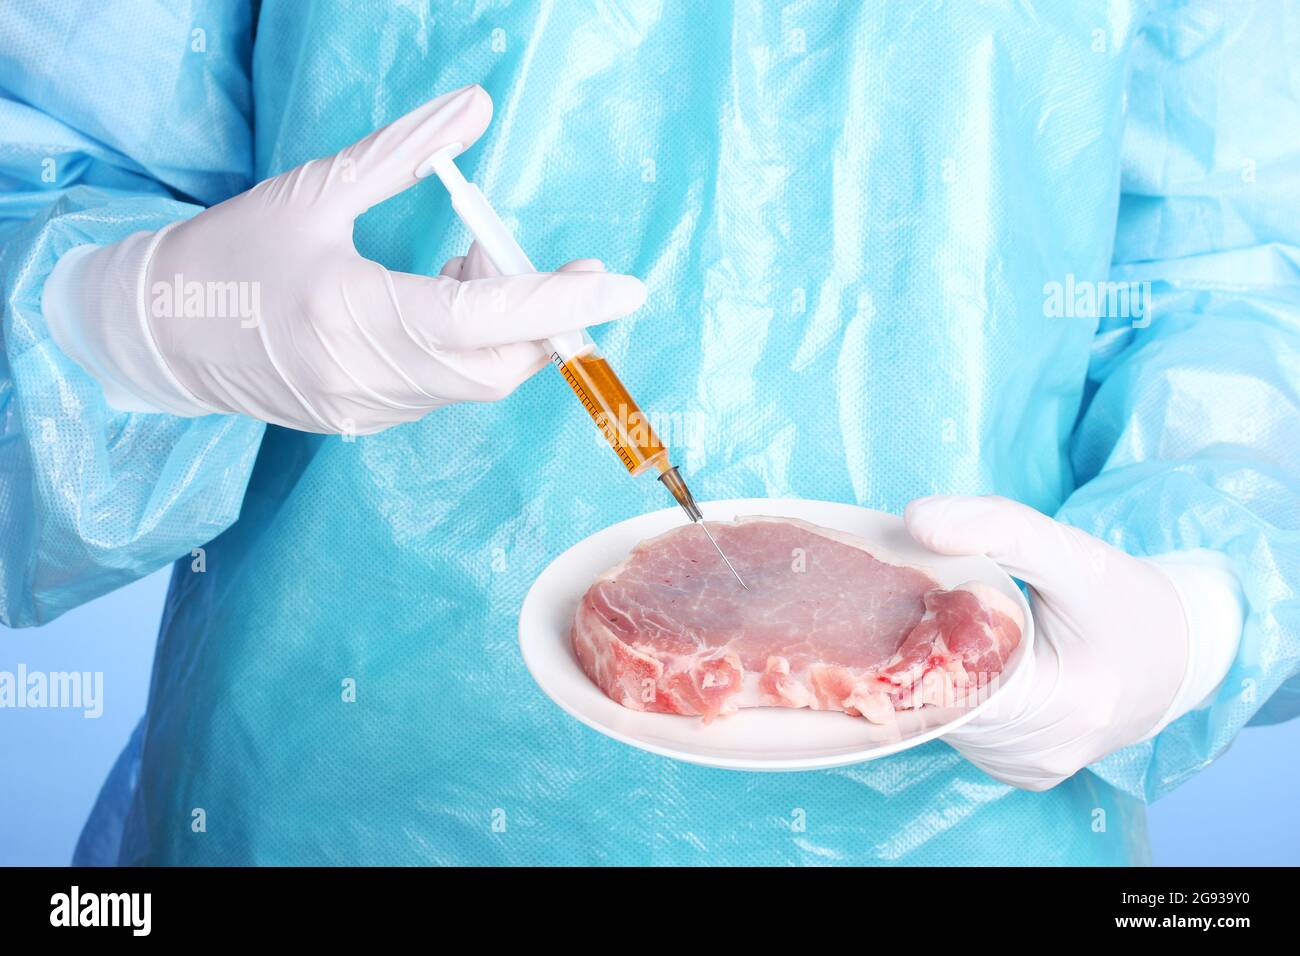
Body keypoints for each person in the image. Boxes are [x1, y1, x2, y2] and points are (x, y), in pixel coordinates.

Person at [1, 0, 1295, 866]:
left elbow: (1233, 269)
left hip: (968, 827)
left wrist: (1196, 614)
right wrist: (135, 316)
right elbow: (45, 157)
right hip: (343, 808)